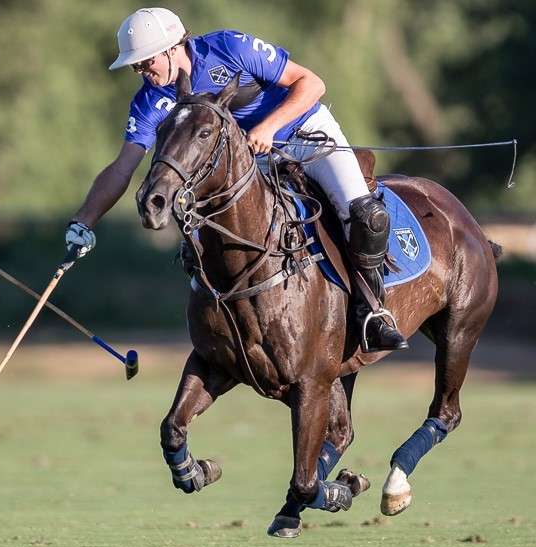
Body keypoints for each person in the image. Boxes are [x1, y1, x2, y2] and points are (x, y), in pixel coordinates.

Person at [64, 7, 407, 352]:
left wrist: (269, 127)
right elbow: (122, 168)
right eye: (136, 66)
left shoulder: (229, 47)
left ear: (171, 48)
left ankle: (373, 312)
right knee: (197, 243)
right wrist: (84, 221)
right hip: (249, 167)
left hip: (305, 135)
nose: (141, 72)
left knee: (363, 214)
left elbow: (312, 83)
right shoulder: (150, 100)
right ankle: (228, 331)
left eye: (145, 62)